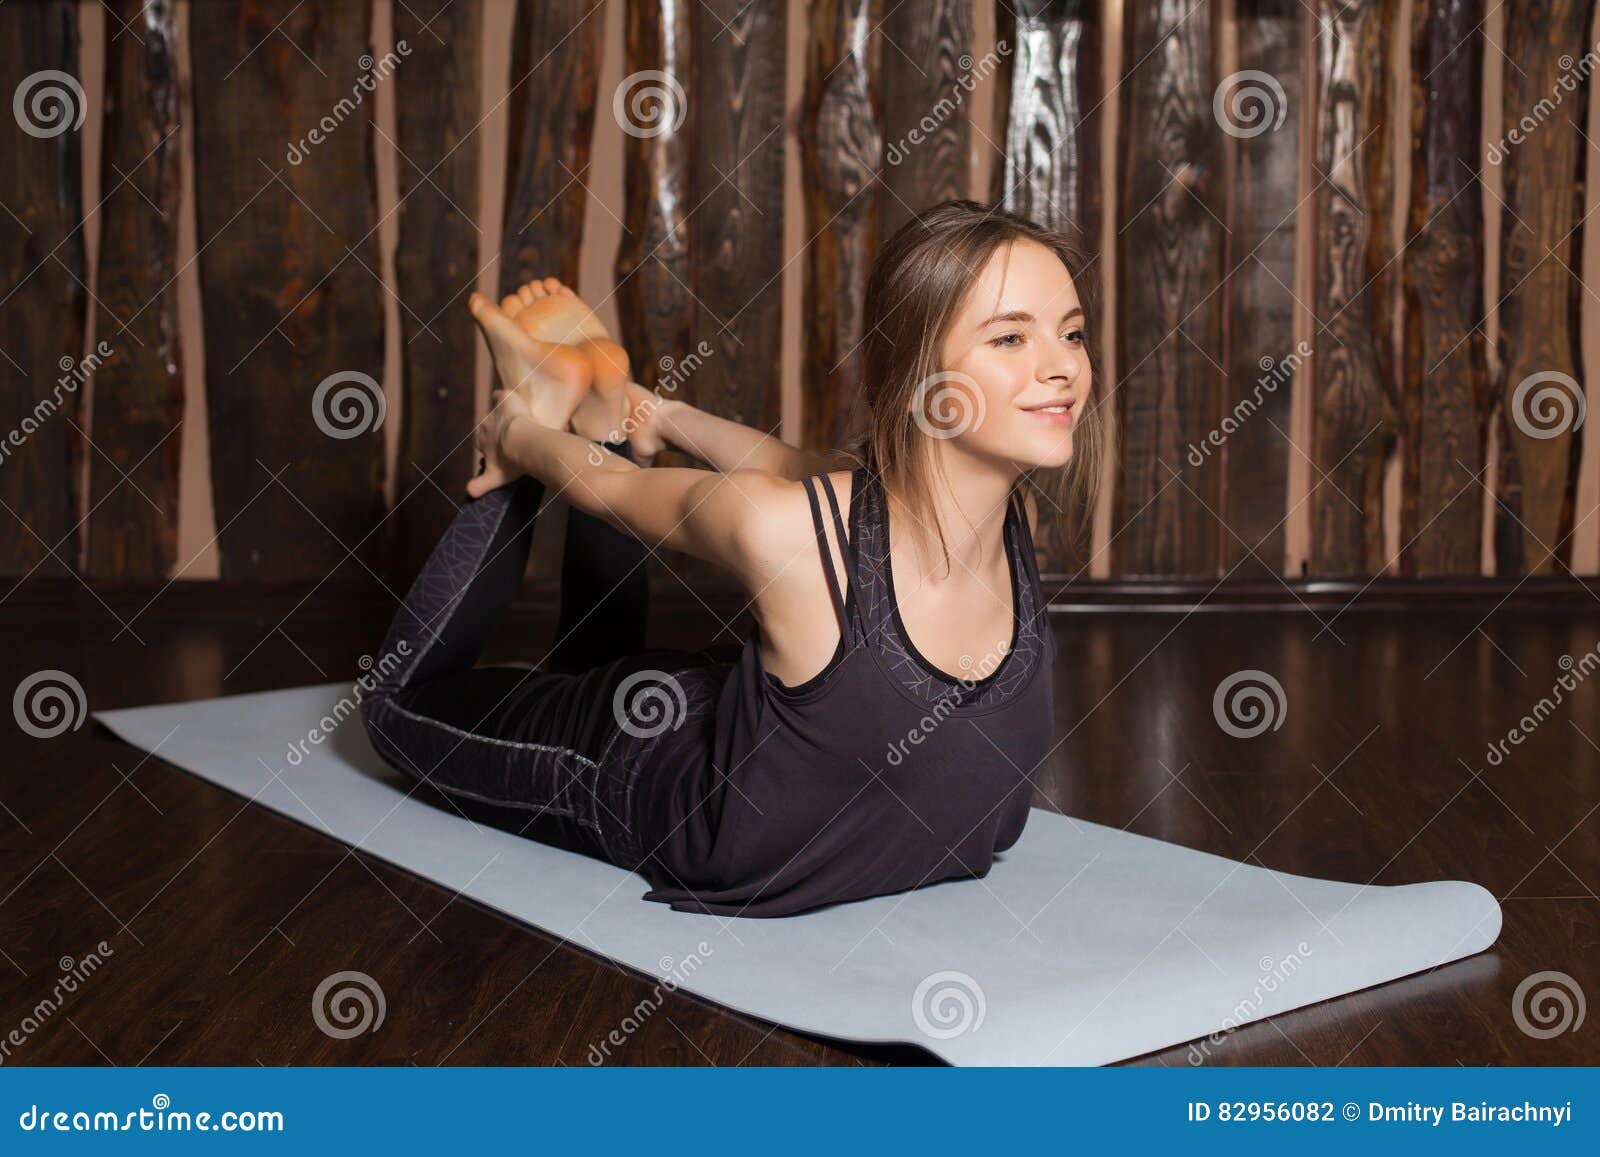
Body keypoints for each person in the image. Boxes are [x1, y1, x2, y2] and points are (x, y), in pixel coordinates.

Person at [359, 199, 1104, 917]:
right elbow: (615, 491)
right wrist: (516, 436)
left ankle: (604, 408)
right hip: (632, 764)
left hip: (728, 714)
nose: (1063, 366)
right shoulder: (786, 531)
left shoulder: (1007, 520)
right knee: (395, 709)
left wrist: (661, 414)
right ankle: (551, 403)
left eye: (1071, 333)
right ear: (917, 376)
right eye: (1011, 338)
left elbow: (797, 467)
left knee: (594, 667)